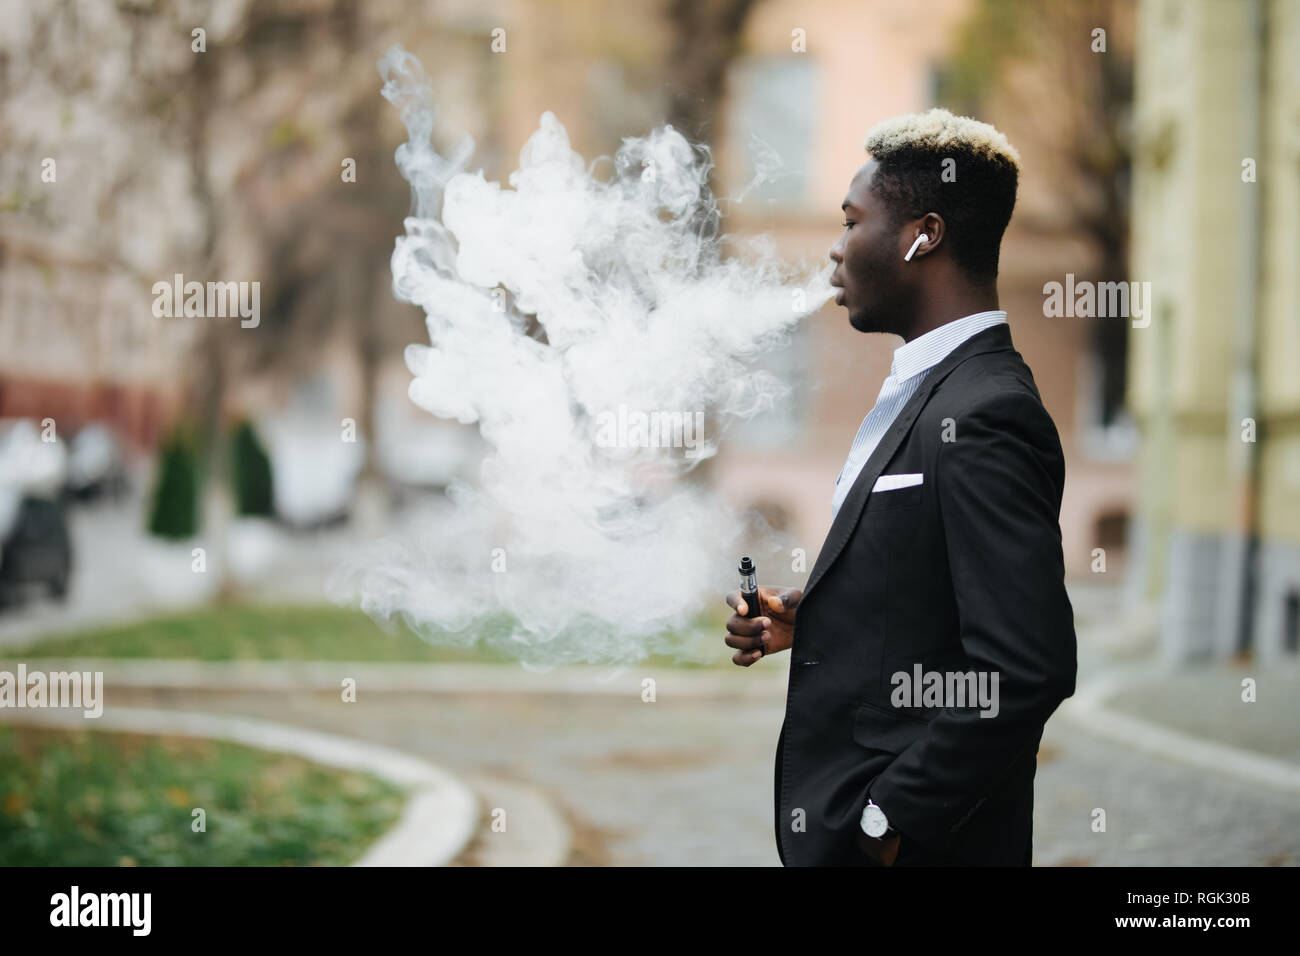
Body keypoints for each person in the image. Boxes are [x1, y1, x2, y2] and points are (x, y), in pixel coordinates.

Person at [725, 108, 1077, 867]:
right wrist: (816, 621)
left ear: (922, 235)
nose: (835, 247)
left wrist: (888, 824)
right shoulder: (929, 391)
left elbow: (1024, 668)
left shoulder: (987, 412)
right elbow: (934, 600)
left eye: (852, 221)